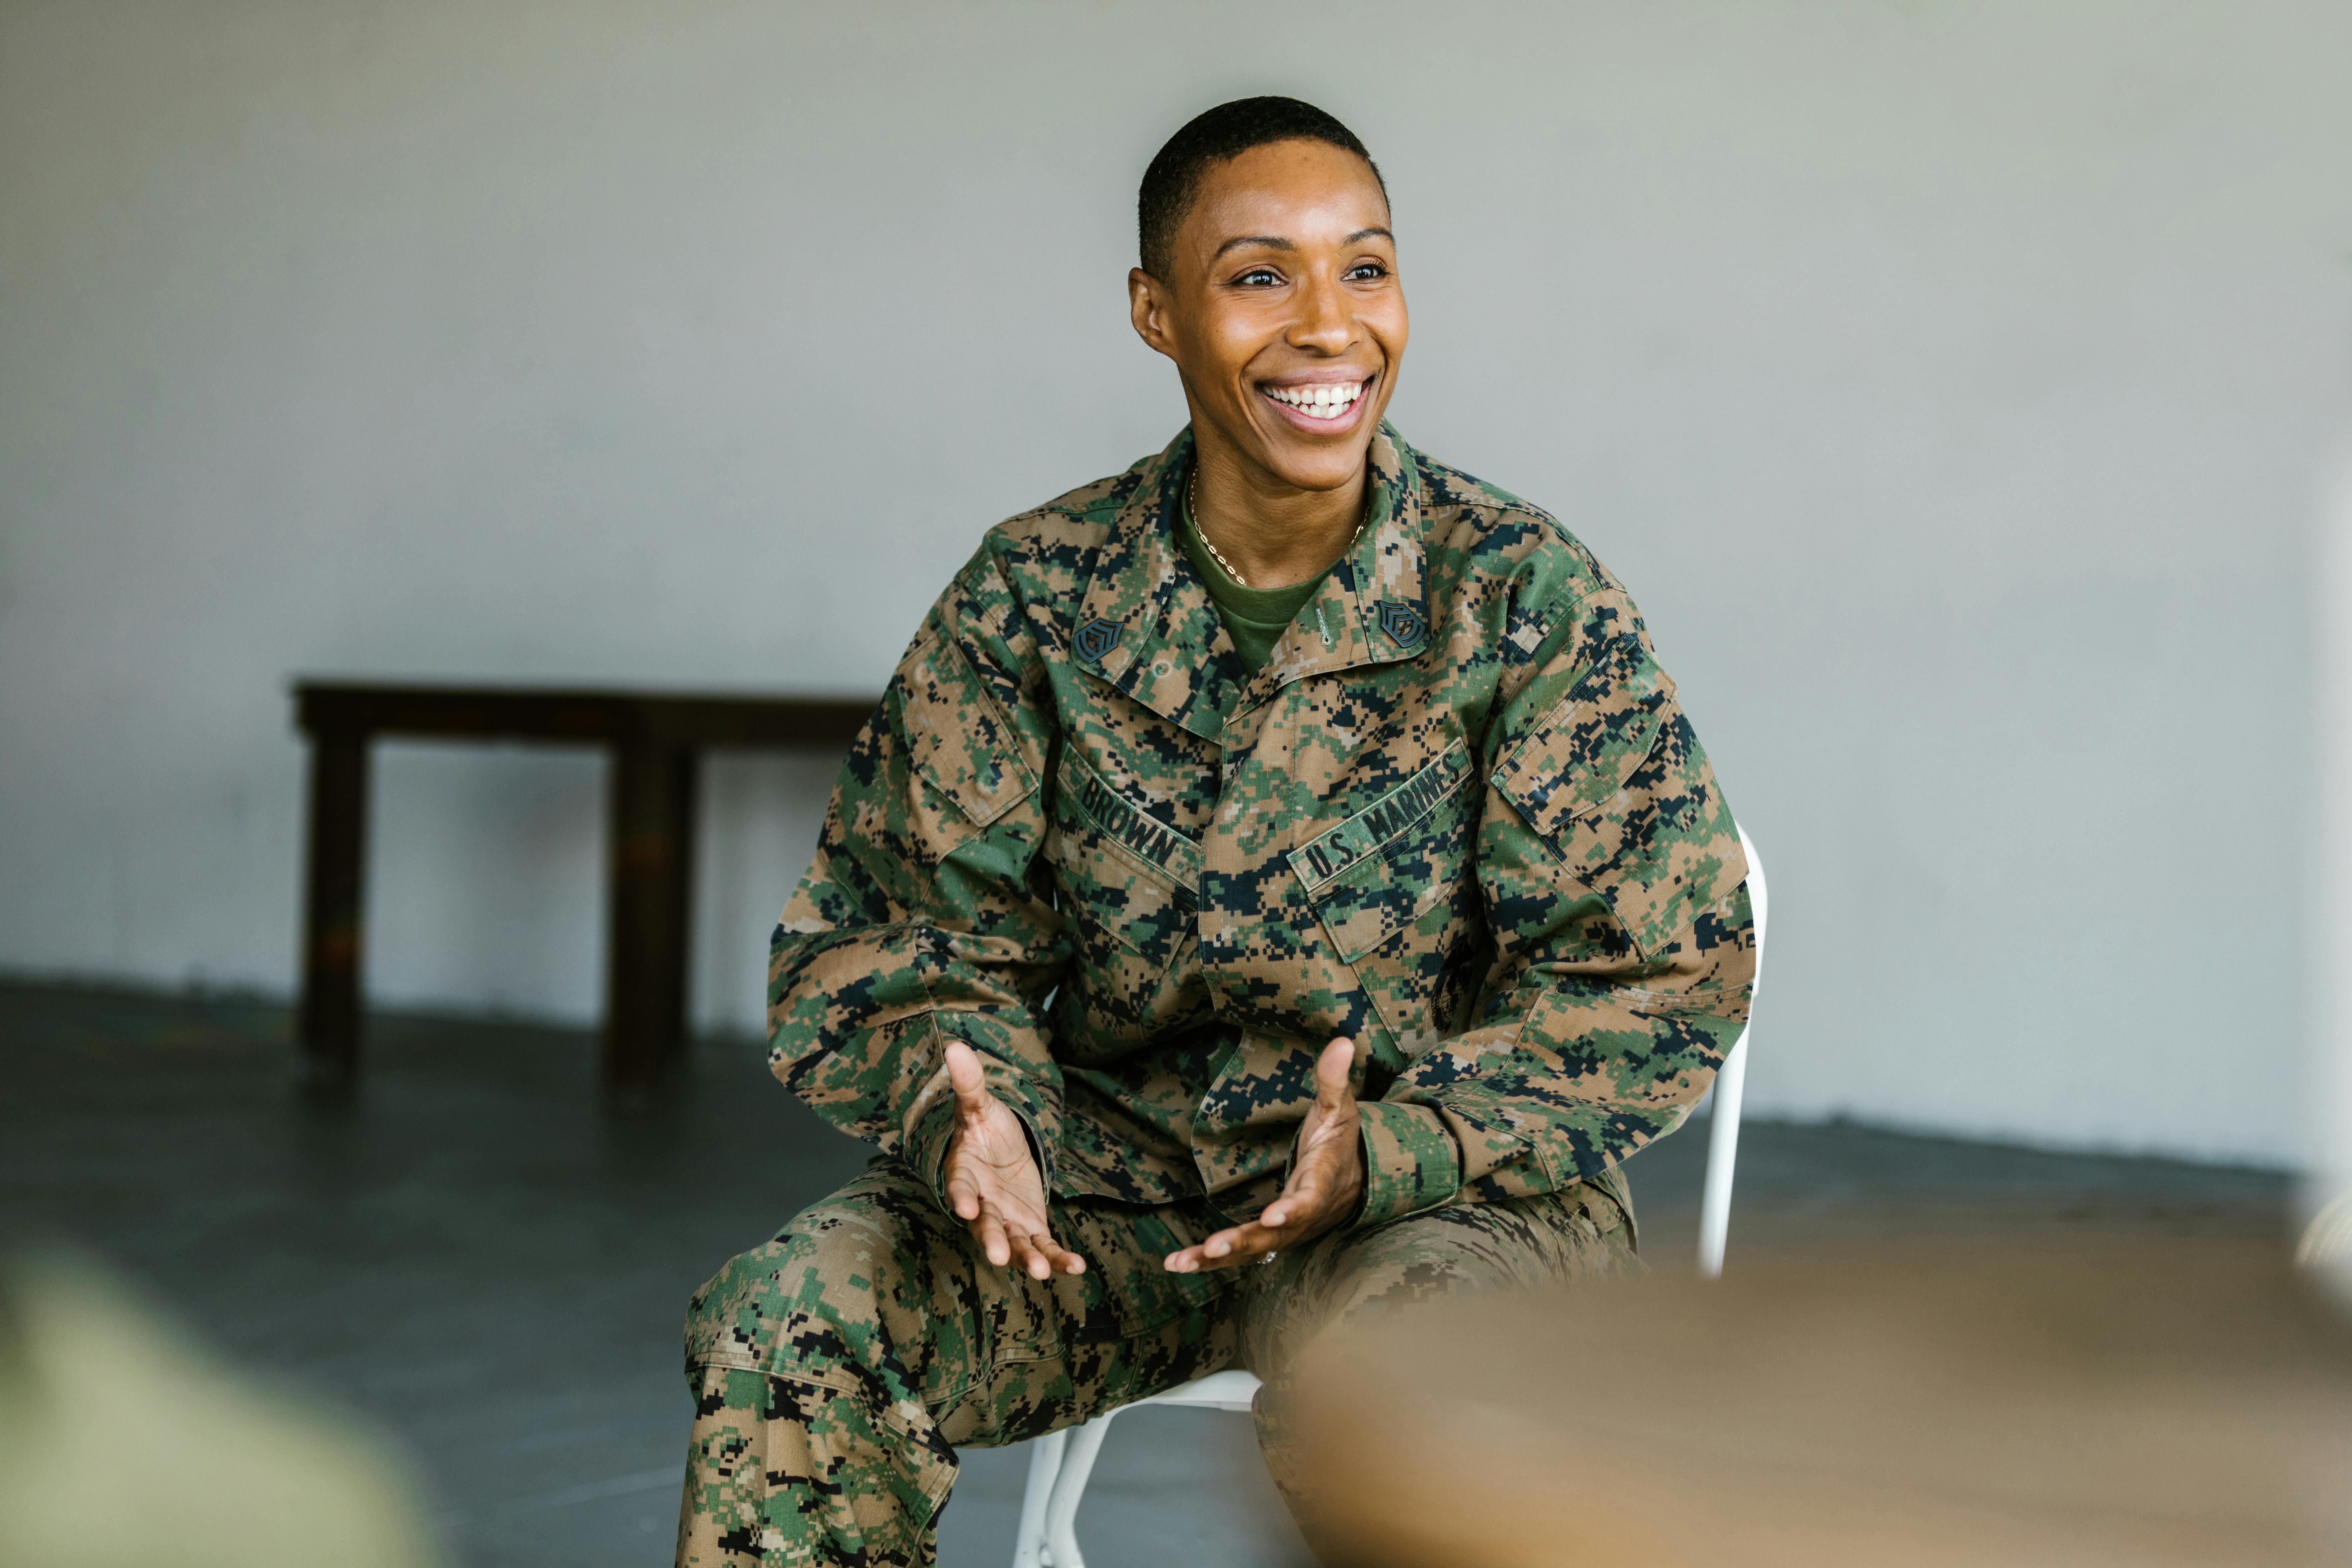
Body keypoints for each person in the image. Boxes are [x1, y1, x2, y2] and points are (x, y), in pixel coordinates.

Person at [675, 95, 1755, 1568]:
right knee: (794, 1316)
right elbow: (897, 936)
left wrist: (1399, 1145)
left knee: (1409, 1392)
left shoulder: (1515, 596)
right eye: (1260, 275)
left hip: (1447, 1208)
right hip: (1115, 1195)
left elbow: (1653, 972)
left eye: (1365, 269)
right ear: (1155, 311)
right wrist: (968, 1109)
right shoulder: (1039, 595)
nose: (1329, 326)